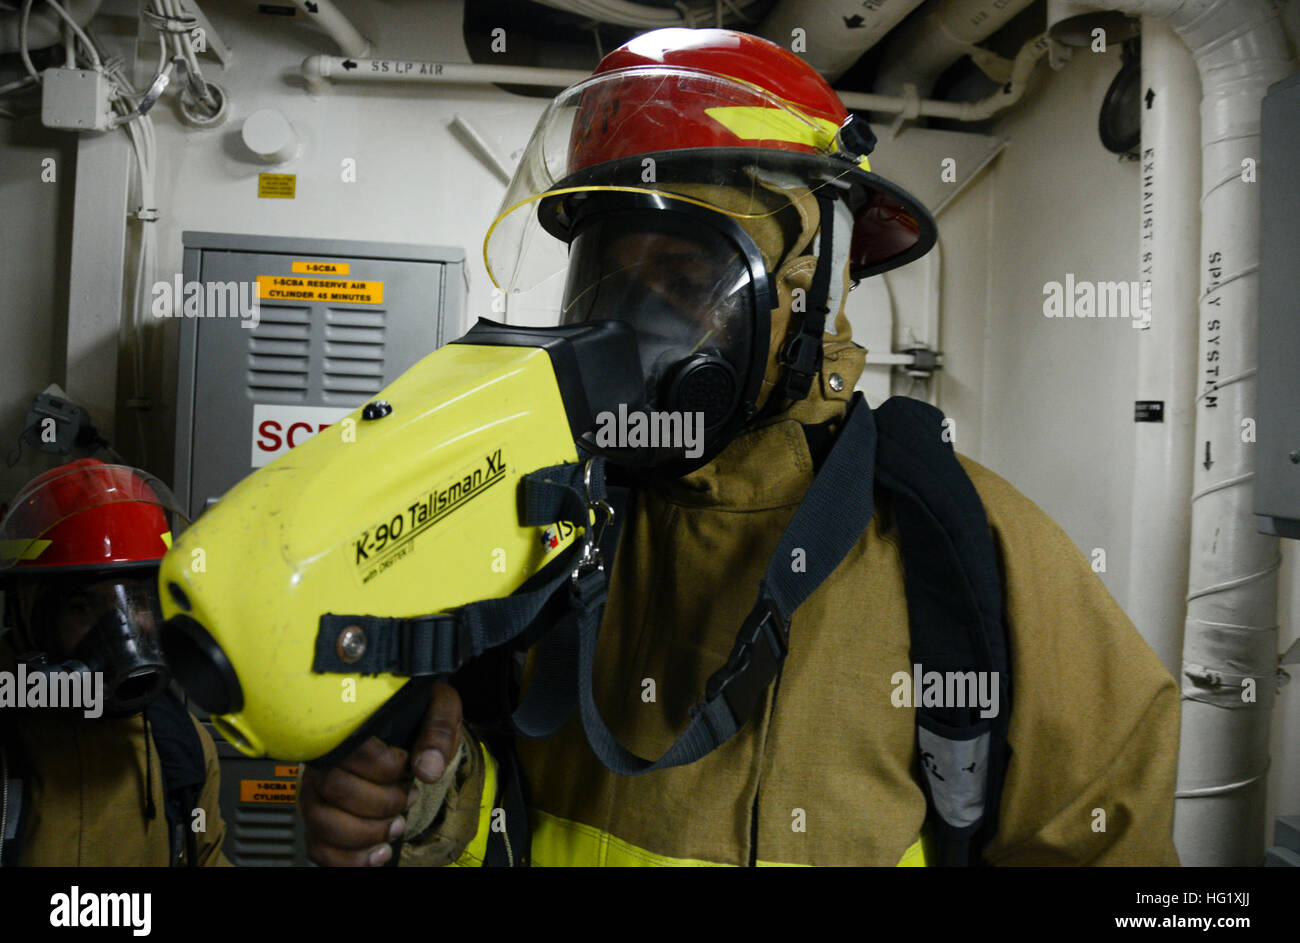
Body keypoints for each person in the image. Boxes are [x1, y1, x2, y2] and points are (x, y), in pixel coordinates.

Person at [299, 28, 1180, 867]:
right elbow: (499, 803)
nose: (634, 336)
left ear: (810, 289)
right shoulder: (533, 528)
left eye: (686, 283)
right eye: (609, 285)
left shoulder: (970, 549)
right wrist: (430, 811)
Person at [0, 459, 228, 866]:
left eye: (135, 602)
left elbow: (205, 857)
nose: (122, 633)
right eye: (82, 606)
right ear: (27, 616)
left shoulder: (182, 744)